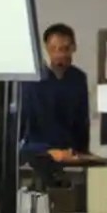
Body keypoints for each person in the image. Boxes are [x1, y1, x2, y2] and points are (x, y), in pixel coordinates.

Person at [21, 23, 90, 158]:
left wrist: (82, 154)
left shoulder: (78, 78)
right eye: (54, 49)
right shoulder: (33, 81)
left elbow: (82, 122)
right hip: (39, 153)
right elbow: (25, 125)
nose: (60, 54)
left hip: (70, 154)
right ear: (47, 49)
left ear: (73, 48)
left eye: (65, 49)